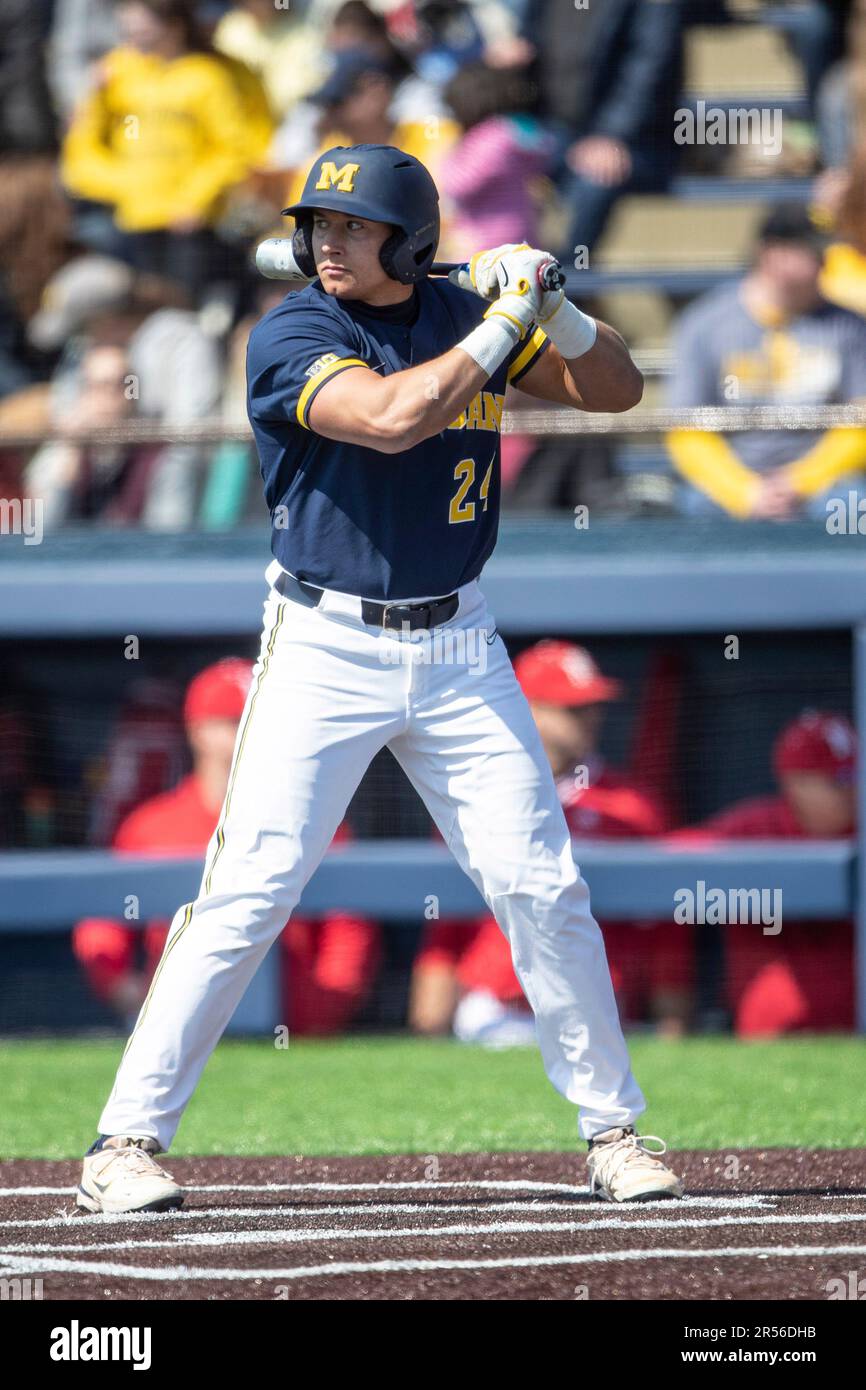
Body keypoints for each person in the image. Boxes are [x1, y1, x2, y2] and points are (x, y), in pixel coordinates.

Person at [77, 142, 683, 1216]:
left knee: (541, 883)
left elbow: (616, 391)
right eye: (317, 226)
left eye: (350, 228)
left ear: (405, 237)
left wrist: (555, 308)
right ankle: (124, 1142)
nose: (323, 243)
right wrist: (501, 326)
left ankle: (612, 1130)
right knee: (250, 886)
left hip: (460, 640)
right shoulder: (295, 328)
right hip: (324, 641)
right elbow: (393, 418)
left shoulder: (460, 310)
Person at [73, 660, 381, 1032]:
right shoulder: (150, 827)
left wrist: (316, 1014)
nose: (252, 734)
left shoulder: (318, 819)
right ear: (197, 730)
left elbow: (348, 934)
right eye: (235, 722)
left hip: (291, 1030)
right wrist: (129, 995)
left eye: (264, 720)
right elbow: (101, 927)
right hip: (179, 1028)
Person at [410, 641, 691, 1043]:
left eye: (594, 706)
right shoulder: (474, 795)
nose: (590, 719)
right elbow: (445, 924)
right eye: (572, 709)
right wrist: (430, 1024)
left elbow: (666, 926)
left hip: (598, 1009)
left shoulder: (631, 805)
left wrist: (672, 1024)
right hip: (492, 1011)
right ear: (527, 708)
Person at [60, 0, 271, 301]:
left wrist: (196, 199)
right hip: (131, 220)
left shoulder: (207, 76)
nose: (136, 40)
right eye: (129, 32)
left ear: (174, 26)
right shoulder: (115, 75)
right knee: (137, 312)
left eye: (145, 31)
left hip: (188, 224)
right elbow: (82, 147)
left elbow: (234, 148)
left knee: (184, 308)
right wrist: (119, 186)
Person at [666, 203, 866, 519]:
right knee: (696, 507)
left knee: (855, 504)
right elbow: (687, 430)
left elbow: (860, 423)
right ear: (772, 255)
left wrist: (802, 481)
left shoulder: (850, 326)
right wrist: (744, 492)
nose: (826, 265)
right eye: (814, 254)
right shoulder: (706, 323)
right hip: (733, 483)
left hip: (825, 486)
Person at [674, 710, 857, 1037]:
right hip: (767, 1036)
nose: (852, 792)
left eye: (856, 778)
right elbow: (660, 867)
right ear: (795, 782)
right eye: (838, 781)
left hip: (857, 1028)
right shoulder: (752, 829)